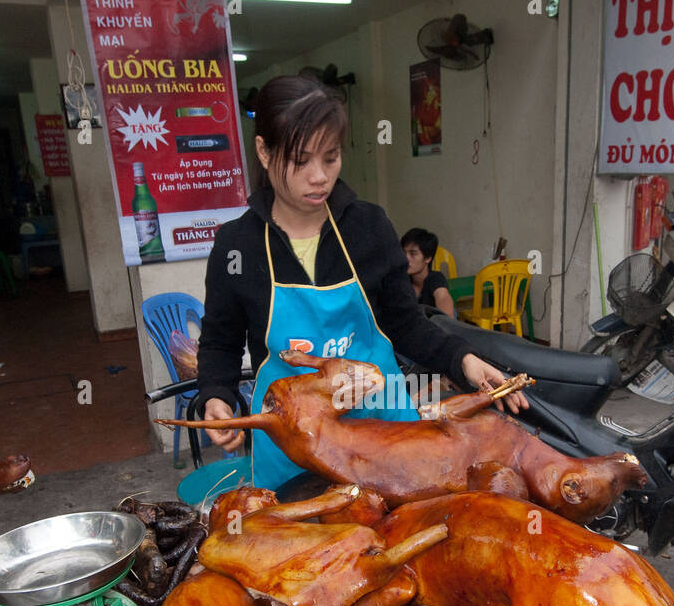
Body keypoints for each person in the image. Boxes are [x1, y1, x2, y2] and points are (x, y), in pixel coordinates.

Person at [195, 75, 526, 490]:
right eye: (301, 161)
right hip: (294, 439)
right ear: (264, 151)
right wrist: (216, 396)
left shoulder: (368, 227)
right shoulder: (237, 245)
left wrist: (463, 358)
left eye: (330, 158)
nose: (319, 177)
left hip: (382, 425)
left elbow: (404, 322)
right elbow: (220, 342)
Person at [401, 227, 455, 317]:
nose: (406, 258)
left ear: (428, 258)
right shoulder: (402, 280)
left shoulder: (435, 279)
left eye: (413, 254)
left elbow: (443, 298)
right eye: (403, 253)